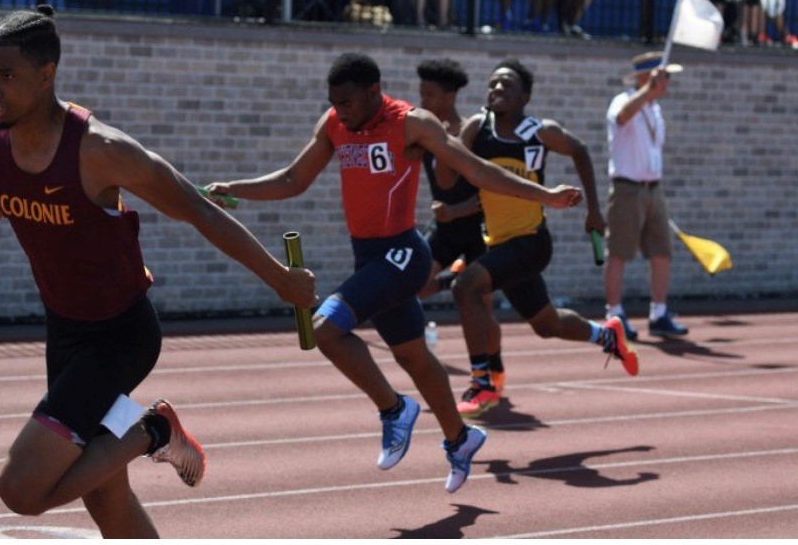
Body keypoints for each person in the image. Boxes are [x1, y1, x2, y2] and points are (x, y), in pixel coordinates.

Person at [0, 5, 316, 537]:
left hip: (119, 336)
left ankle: (152, 428)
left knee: (21, 490)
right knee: (106, 499)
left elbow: (198, 210)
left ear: (47, 75)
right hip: (64, 331)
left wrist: (280, 280)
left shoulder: (101, 151)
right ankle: (143, 435)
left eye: (7, 76)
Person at [206, 52, 584, 493]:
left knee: (324, 328)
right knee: (414, 359)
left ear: (373, 92)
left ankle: (393, 410)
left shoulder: (412, 123)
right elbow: (293, 180)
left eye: (346, 102)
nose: (340, 112)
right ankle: (460, 440)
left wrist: (546, 196)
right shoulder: (335, 124)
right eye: (334, 102)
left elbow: (477, 170)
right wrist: (236, 189)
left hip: (404, 253)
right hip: (368, 258)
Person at [448, 59, 636, 419]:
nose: (497, 89)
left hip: (532, 242)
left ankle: (482, 382)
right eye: (492, 84)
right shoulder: (476, 128)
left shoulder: (540, 131)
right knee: (547, 325)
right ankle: (608, 336)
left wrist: (593, 211)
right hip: (499, 244)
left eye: (506, 85)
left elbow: (579, 150)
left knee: (466, 287)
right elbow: (454, 170)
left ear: (525, 97)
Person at [602, 52, 687, 342]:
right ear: (646, 77)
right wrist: (645, 91)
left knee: (662, 251)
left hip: (653, 188)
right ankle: (614, 313)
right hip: (627, 188)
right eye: (663, 76)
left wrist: (650, 95)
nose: (668, 82)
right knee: (619, 252)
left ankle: (659, 313)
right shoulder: (624, 100)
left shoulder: (655, 109)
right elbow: (623, 115)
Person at [415, 59, 486, 300]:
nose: (423, 102)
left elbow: (490, 191)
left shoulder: (472, 133)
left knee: (479, 302)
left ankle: (464, 278)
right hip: (445, 229)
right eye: (421, 94)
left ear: (450, 96)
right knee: (415, 286)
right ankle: (455, 278)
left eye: (430, 95)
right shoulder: (424, 134)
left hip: (477, 230)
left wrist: (455, 210)